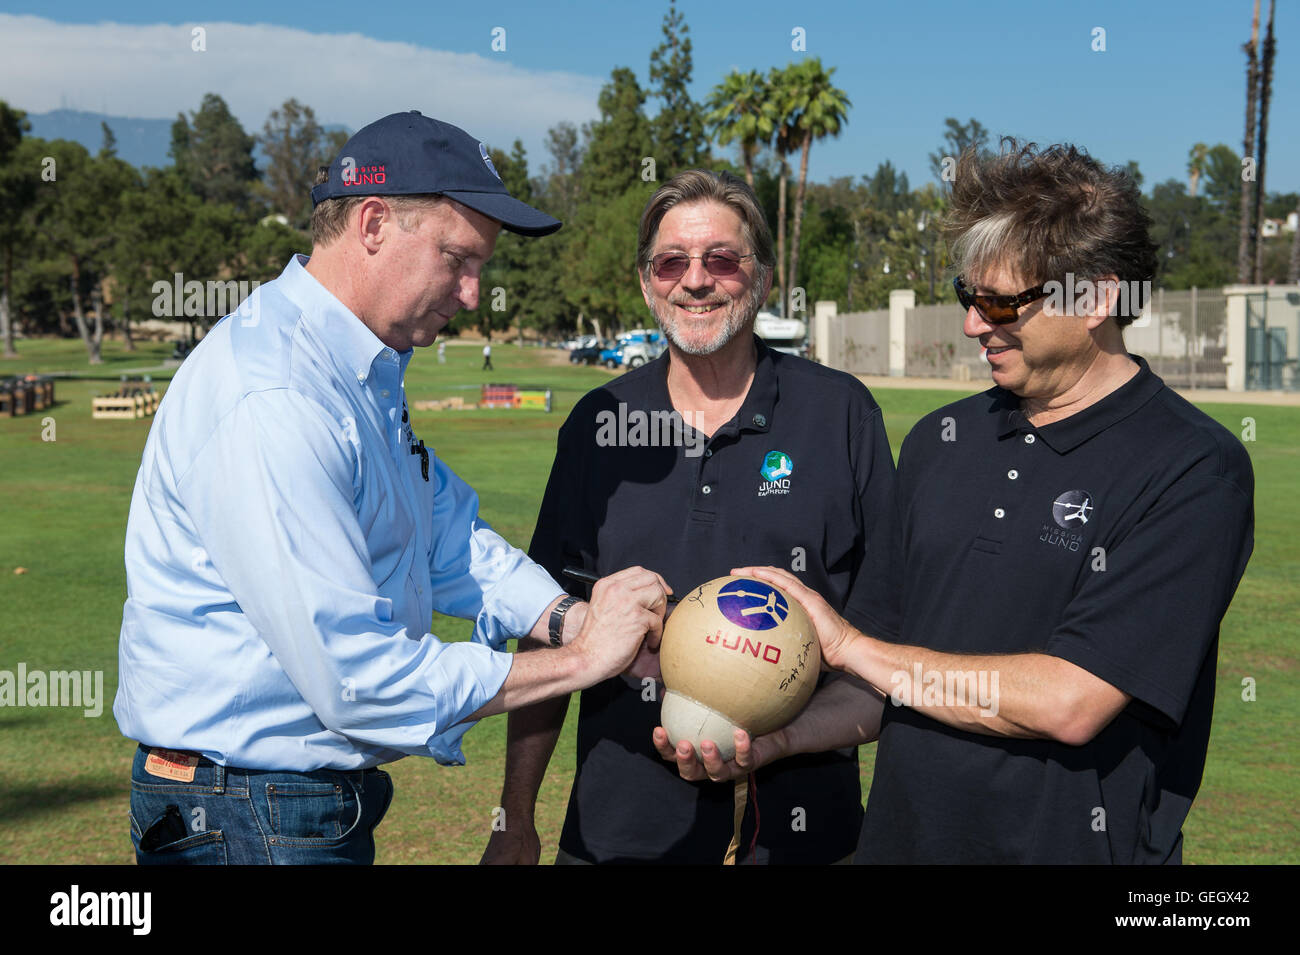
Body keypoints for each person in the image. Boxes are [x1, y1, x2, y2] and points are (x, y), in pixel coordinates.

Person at [662, 141, 1255, 865]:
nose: (974, 323)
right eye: (966, 296)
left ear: (1098, 298)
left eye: (1002, 301)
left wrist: (851, 645)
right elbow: (882, 686)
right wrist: (775, 739)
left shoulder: (1193, 466)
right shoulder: (941, 441)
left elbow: (1071, 700)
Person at [114, 111, 669, 865]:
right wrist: (583, 660)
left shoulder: (358, 370)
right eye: (457, 259)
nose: (473, 294)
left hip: (281, 807)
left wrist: (570, 619)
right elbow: (358, 679)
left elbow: (446, 537)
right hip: (244, 813)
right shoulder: (274, 391)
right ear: (373, 222)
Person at [481, 170, 900, 865]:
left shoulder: (842, 414)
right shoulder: (600, 424)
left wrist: (779, 736)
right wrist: (513, 815)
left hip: (804, 839)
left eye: (722, 260)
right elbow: (543, 637)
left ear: (761, 278)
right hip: (617, 839)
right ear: (648, 283)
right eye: (671, 262)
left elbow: (883, 653)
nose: (696, 280)